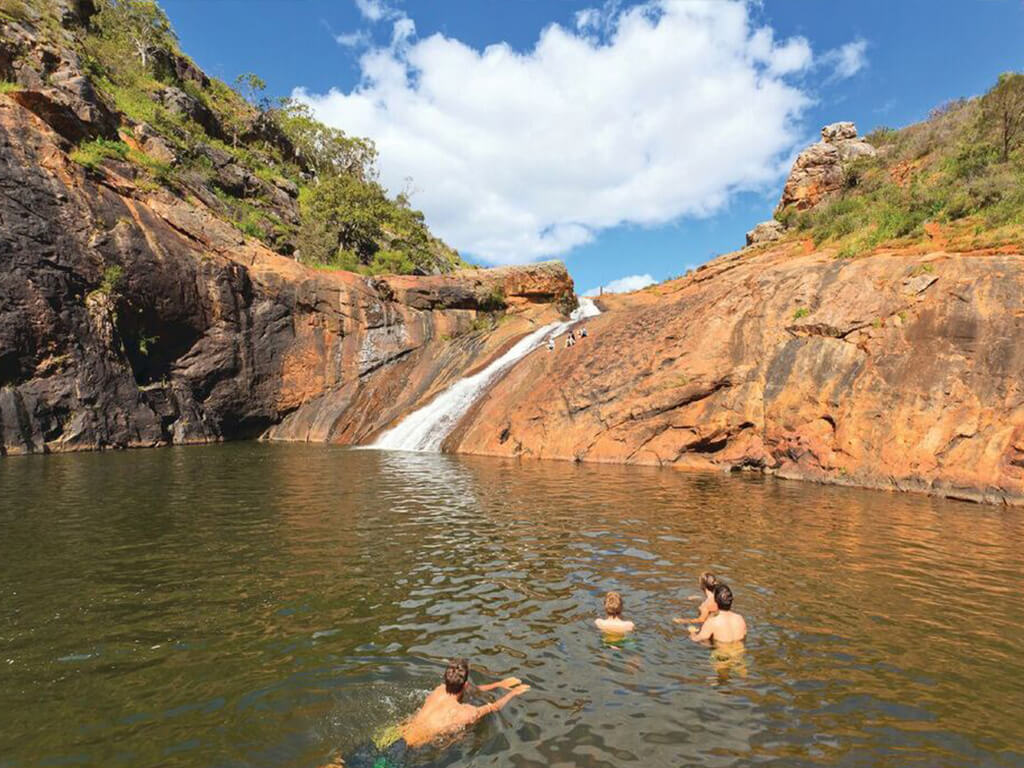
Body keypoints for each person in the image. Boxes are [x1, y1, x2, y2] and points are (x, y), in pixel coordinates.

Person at [332, 659, 528, 767]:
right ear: (466, 684)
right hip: (403, 749)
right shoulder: (466, 713)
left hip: (392, 732)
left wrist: (498, 684)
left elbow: (469, 690)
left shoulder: (438, 691)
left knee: (342, 762)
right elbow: (494, 707)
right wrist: (512, 693)